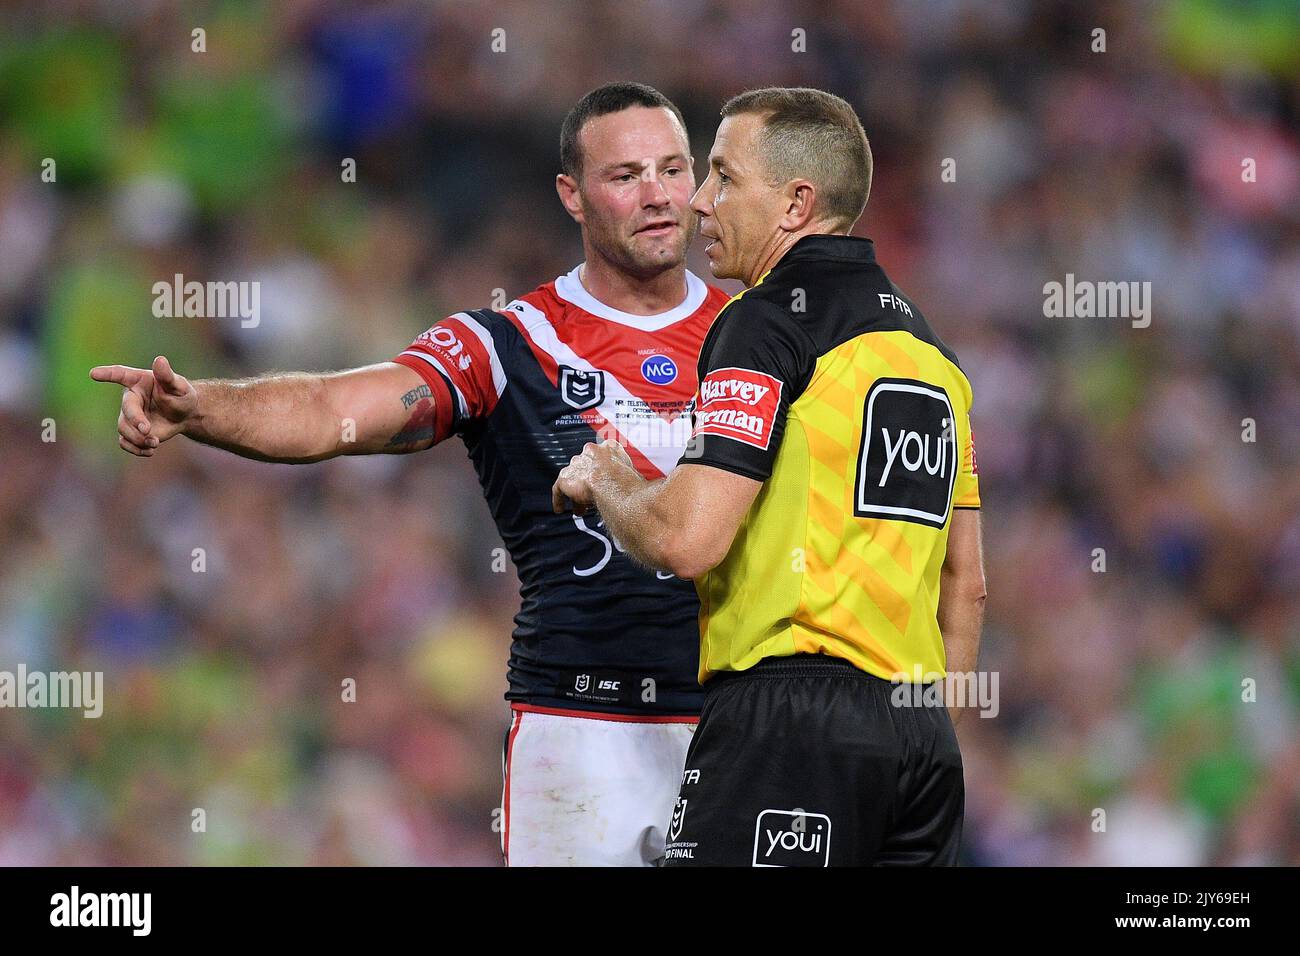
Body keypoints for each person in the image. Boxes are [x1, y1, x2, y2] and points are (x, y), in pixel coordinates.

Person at [91, 82, 730, 867]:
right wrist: (203, 408)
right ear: (572, 194)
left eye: (672, 169)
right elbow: (336, 410)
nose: (658, 195)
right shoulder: (507, 342)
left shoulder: (757, 339)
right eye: (625, 175)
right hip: (581, 727)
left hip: (739, 717)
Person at [552, 87, 986, 866]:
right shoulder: (937, 360)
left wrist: (607, 476)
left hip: (787, 722)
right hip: (922, 743)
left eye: (722, 177)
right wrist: (913, 730)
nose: (700, 204)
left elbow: (689, 540)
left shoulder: (764, 320)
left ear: (795, 204)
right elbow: (967, 584)